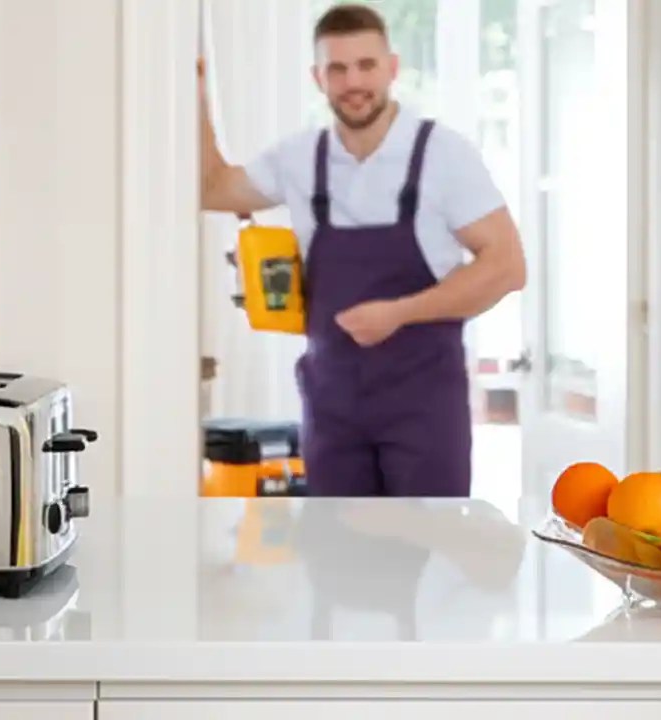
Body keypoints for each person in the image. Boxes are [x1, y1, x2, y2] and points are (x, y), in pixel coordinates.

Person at [198, 3, 526, 497]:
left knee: (427, 554)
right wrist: (196, 92)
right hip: (333, 408)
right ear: (318, 77)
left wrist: (400, 312)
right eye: (337, 69)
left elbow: (507, 266)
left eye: (366, 66)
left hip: (424, 407)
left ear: (392, 68)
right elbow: (213, 188)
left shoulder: (442, 155)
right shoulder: (300, 159)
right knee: (339, 560)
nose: (353, 82)